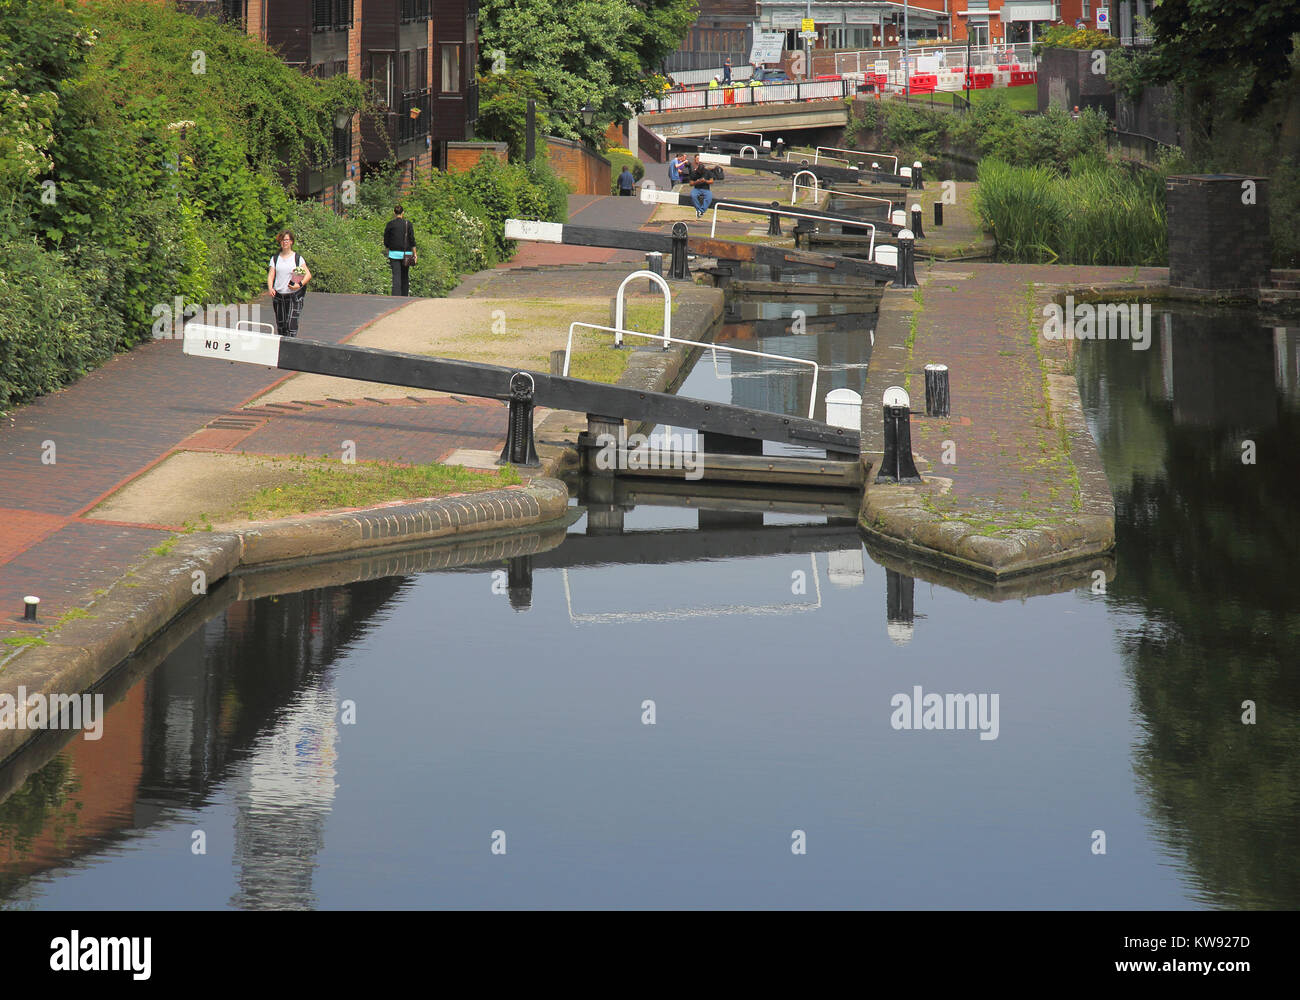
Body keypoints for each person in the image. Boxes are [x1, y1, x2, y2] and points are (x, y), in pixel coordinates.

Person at [266, 230, 310, 338]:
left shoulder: (297, 258)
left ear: (291, 242)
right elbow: (271, 275)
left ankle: (290, 349)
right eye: (282, 240)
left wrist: (298, 285)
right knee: (281, 326)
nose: (284, 242)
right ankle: (282, 349)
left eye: (286, 240)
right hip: (279, 296)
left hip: (293, 296)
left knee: (291, 325)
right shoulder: (275, 259)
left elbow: (308, 275)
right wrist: (270, 288)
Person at [383, 204, 417, 296]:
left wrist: (388, 250)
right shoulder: (408, 224)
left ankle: (395, 297)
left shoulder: (390, 224)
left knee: (396, 276)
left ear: (394, 213)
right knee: (405, 276)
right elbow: (412, 239)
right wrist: (415, 254)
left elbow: (386, 239)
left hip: (393, 254)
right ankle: (404, 297)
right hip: (407, 254)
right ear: (403, 213)